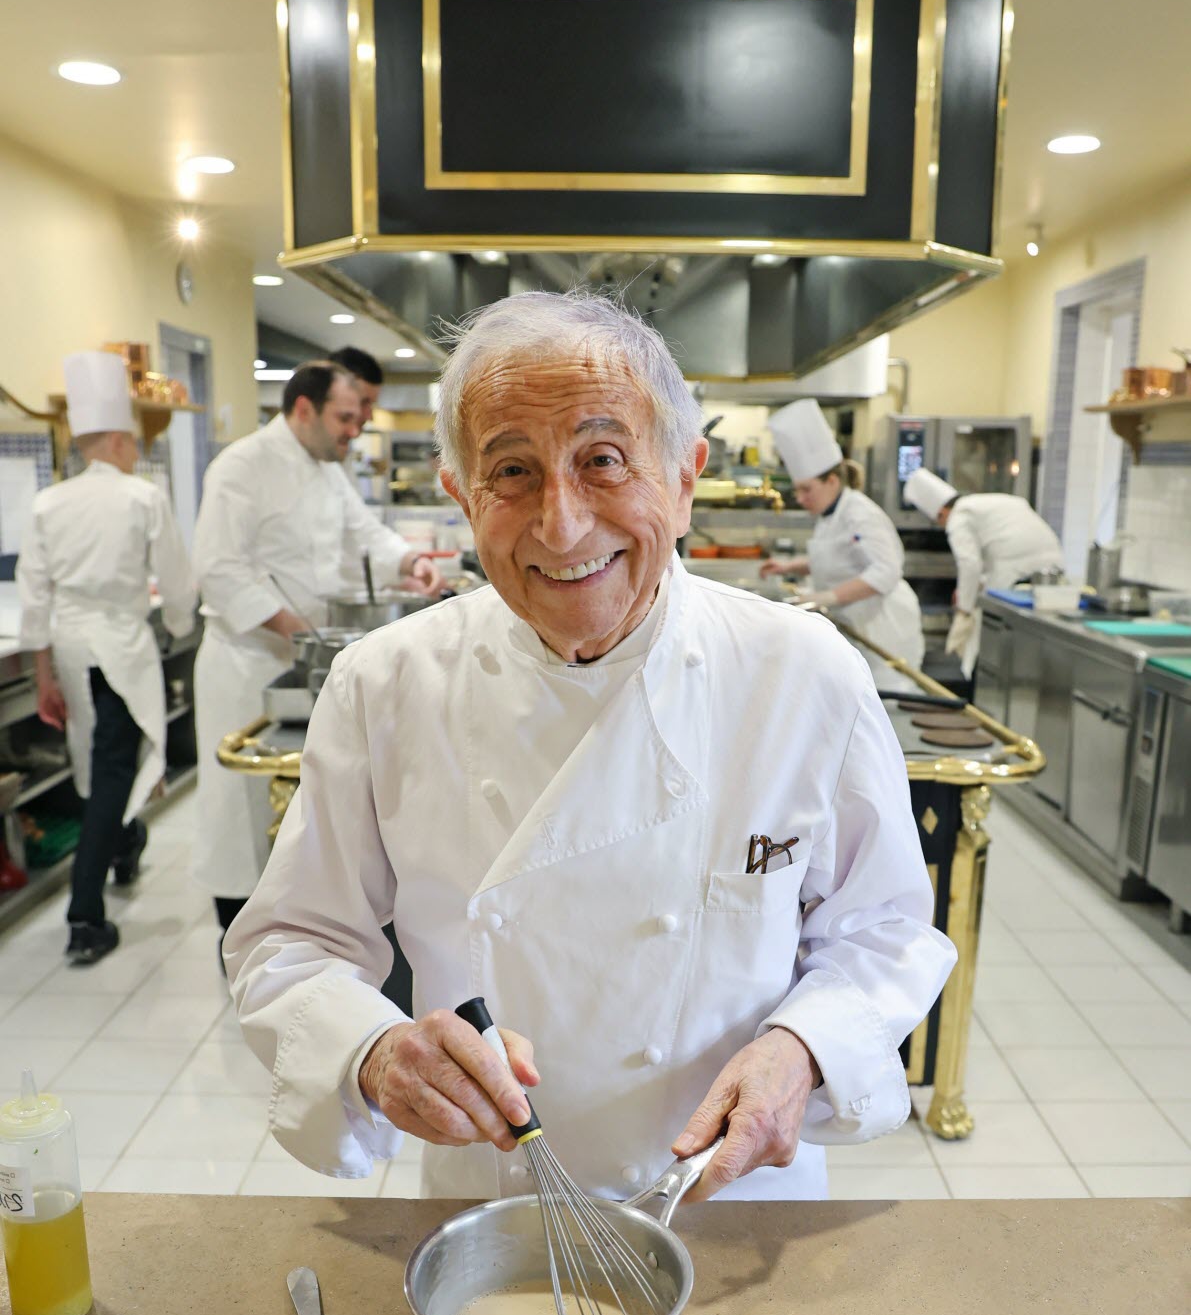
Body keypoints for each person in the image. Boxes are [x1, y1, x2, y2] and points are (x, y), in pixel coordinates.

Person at [225, 291, 955, 1204]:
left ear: (683, 480)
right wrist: (371, 1049)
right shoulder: (386, 683)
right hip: (492, 1201)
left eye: (602, 461)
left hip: (729, 1197)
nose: (561, 525)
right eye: (513, 472)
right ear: (461, 496)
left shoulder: (802, 673)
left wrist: (801, 1050)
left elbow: (882, 928)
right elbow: (291, 941)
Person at [190, 360, 441, 941]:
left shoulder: (327, 468)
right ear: (304, 409)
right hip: (247, 663)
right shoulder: (241, 467)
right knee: (240, 817)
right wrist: (301, 633)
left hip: (308, 662)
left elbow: (365, 534)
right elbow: (220, 572)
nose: (355, 429)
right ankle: (235, 937)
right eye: (346, 417)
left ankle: (297, 930)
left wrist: (410, 559)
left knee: (312, 807)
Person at [16, 351, 196, 963]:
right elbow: (176, 586)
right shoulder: (143, 498)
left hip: (70, 650)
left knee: (96, 767)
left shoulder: (47, 503)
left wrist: (42, 674)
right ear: (119, 440)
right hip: (121, 647)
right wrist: (178, 625)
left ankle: (125, 844)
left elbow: (33, 597)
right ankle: (85, 917)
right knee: (115, 769)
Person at [760, 400, 925, 687]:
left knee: (887, 702)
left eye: (806, 489)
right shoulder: (829, 515)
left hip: (883, 632)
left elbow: (885, 571)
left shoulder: (860, 514)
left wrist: (826, 598)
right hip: (855, 627)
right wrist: (790, 566)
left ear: (832, 481)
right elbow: (835, 558)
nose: (800, 498)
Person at [904, 467, 1064, 675]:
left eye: (939, 521)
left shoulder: (959, 516)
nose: (942, 525)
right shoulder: (990, 502)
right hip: (1054, 570)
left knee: (985, 638)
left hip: (1015, 574)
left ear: (941, 512)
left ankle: (981, 687)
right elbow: (999, 545)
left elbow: (970, 563)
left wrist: (964, 608)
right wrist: (972, 589)